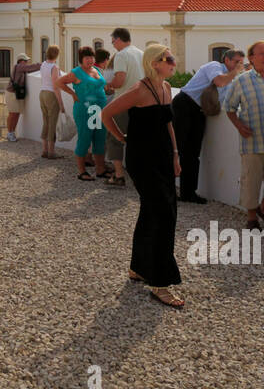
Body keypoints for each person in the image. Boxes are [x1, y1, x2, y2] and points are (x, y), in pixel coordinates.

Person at [103, 44, 184, 307]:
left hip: (162, 158)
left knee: (152, 212)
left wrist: (175, 154)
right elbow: (107, 114)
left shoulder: (167, 88)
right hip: (143, 160)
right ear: (155, 62)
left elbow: (167, 122)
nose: (174, 62)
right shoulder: (139, 90)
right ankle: (160, 283)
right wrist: (121, 138)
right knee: (164, 214)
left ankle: (138, 267)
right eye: (169, 58)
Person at [224, 41, 264, 231]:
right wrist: (238, 125)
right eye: (261, 54)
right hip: (252, 142)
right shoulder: (241, 81)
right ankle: (252, 218)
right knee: (251, 182)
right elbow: (229, 108)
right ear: (251, 58)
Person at [172, 48, 245, 203]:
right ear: (227, 60)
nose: (239, 65)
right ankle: (165, 188)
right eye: (236, 61)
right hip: (185, 105)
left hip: (199, 111)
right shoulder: (215, 67)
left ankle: (188, 193)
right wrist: (236, 72)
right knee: (177, 149)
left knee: (193, 153)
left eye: (241, 62)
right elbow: (219, 82)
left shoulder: (232, 78)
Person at [57, 47, 109, 181]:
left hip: (99, 110)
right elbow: (59, 82)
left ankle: (100, 169)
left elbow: (101, 85)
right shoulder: (76, 72)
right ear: (81, 59)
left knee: (100, 139)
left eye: (91, 57)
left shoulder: (96, 70)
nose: (90, 60)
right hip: (84, 110)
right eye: (87, 57)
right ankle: (82, 171)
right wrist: (73, 94)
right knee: (85, 139)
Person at [104, 27, 144, 188]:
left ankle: (119, 175)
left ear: (119, 39)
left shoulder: (121, 55)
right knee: (139, 139)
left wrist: (109, 85)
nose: (113, 45)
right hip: (142, 102)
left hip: (124, 101)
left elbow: (120, 80)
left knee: (115, 138)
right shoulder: (141, 53)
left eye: (113, 41)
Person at [37, 45, 66, 159]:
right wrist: (61, 104)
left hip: (42, 93)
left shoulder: (43, 64)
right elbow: (56, 86)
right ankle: (51, 152)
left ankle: (44, 150)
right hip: (51, 95)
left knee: (46, 122)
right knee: (52, 123)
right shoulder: (54, 67)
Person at [5, 53, 41, 142]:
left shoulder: (21, 68)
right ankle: (10, 133)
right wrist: (43, 64)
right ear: (21, 61)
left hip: (16, 93)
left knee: (16, 113)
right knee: (13, 113)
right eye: (26, 61)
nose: (27, 62)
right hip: (12, 93)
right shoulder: (19, 66)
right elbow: (32, 67)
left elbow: (29, 70)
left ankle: (12, 132)